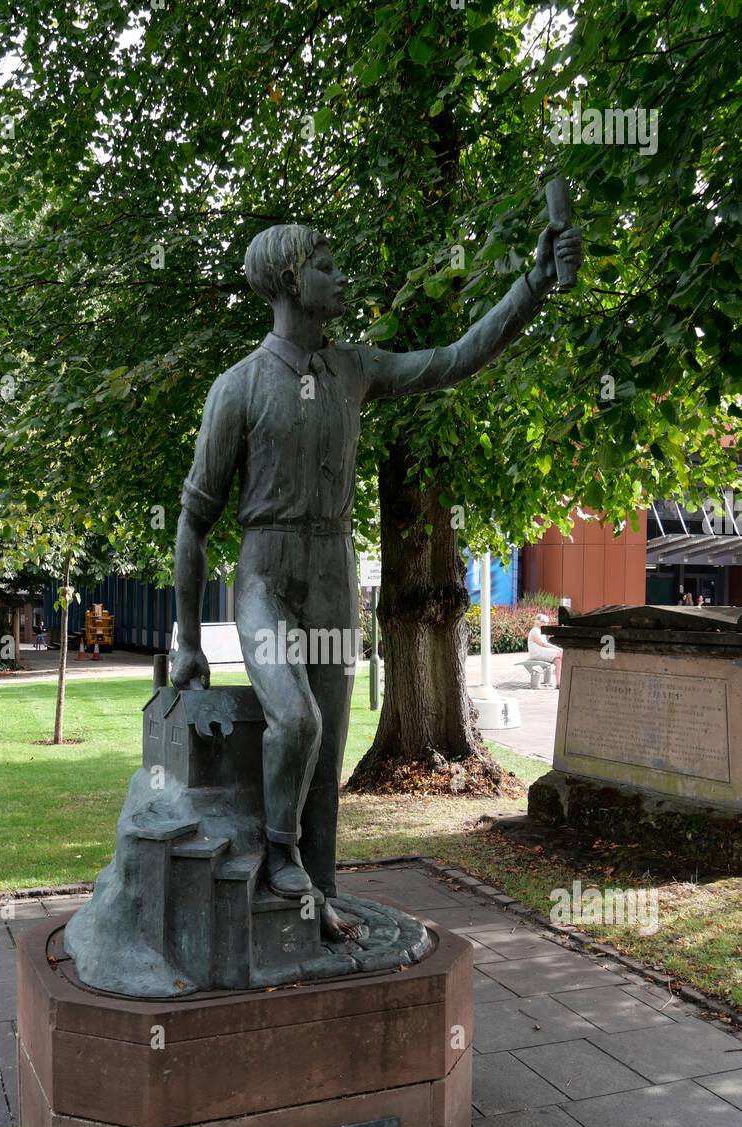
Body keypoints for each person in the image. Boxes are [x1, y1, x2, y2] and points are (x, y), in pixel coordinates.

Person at [171, 218, 583, 940]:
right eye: (328, 265)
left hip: (330, 571)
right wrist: (187, 642)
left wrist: (534, 283)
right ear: (294, 279)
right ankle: (279, 856)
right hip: (266, 574)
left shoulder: (353, 369)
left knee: (325, 752)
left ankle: (317, 900)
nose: (342, 278)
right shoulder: (235, 389)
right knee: (295, 718)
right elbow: (194, 522)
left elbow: (454, 357)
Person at [527, 612, 563, 687]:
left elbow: (545, 644)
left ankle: (558, 683)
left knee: (558, 661)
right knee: (561, 653)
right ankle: (569, 674)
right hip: (537, 653)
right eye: (545, 622)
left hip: (542, 652)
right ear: (539, 622)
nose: (546, 624)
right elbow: (542, 644)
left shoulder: (540, 631)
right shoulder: (535, 630)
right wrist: (557, 648)